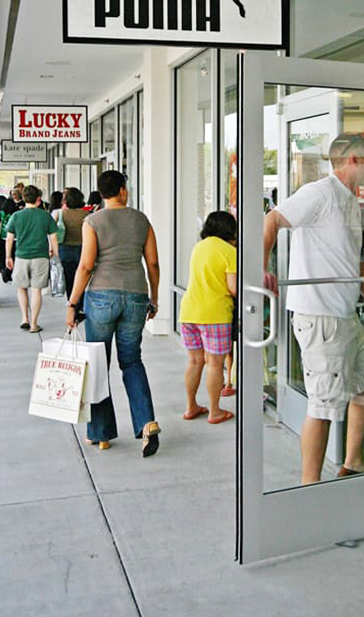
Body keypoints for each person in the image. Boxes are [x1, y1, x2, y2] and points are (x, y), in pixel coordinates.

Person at [263, 131, 364, 485]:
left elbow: (354, 261)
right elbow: (271, 220)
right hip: (320, 318)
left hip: (344, 315)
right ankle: (310, 489)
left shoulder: (351, 201)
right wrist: (261, 266)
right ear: (353, 161)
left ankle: (352, 461)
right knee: (323, 407)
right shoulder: (320, 193)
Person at [65, 170, 161, 457]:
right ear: (121, 190)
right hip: (135, 296)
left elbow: (86, 266)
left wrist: (72, 304)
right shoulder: (141, 220)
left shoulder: (92, 221)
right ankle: (147, 423)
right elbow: (153, 263)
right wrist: (153, 299)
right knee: (131, 361)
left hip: (102, 298)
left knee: (98, 363)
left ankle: (102, 434)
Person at [179, 211, 237, 424]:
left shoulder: (198, 247)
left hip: (189, 311)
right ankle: (215, 411)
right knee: (214, 363)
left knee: (194, 361)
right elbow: (233, 289)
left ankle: (191, 406)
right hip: (215, 314)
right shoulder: (229, 251)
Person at [5, 184, 61, 332]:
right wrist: (55, 254)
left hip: (21, 256)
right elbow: (53, 238)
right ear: (38, 199)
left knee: (21, 288)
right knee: (36, 290)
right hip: (41, 257)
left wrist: (8, 256)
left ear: (23, 198)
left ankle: (25, 318)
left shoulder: (16, 216)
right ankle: (34, 324)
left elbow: (9, 238)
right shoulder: (45, 216)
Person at [59, 187, 90, 317]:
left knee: (69, 278)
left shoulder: (61, 214)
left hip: (65, 249)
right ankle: (80, 304)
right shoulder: (86, 215)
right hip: (82, 249)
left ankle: (71, 303)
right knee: (82, 277)